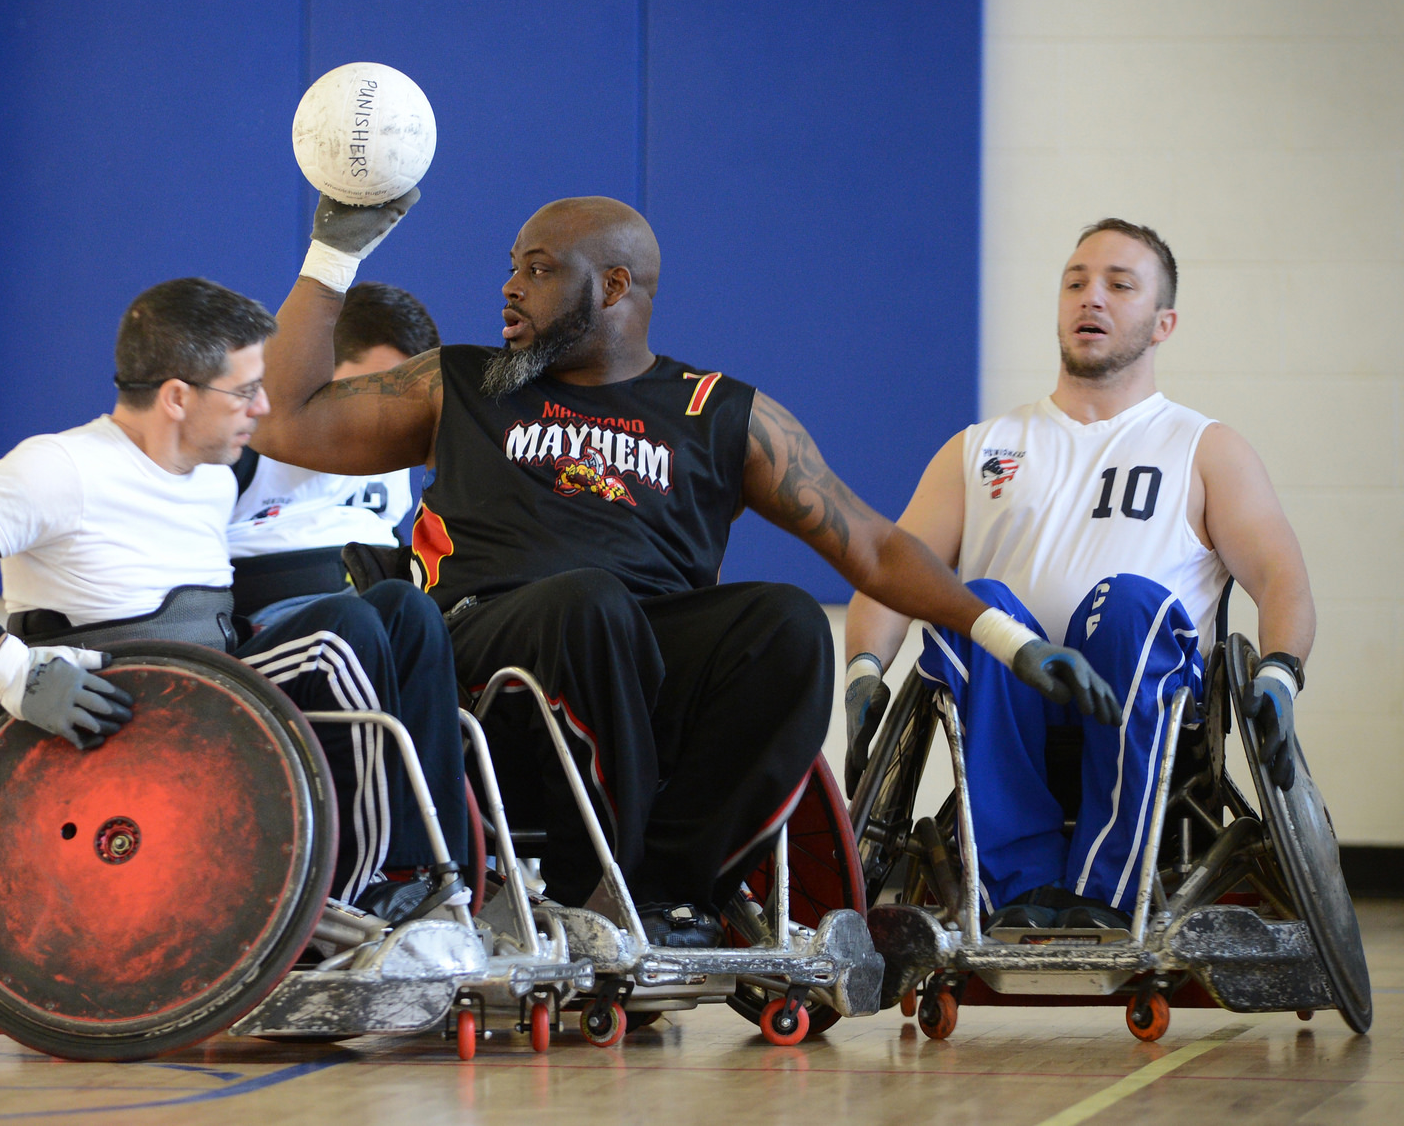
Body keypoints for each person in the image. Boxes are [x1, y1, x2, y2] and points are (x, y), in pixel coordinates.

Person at [251, 191, 1119, 948]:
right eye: (512, 267)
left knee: (786, 624)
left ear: (614, 287)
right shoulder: (463, 382)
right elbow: (284, 421)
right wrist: (337, 250)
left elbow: (876, 545)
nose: (510, 289)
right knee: (588, 604)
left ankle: (665, 888)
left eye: (539, 270)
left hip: (635, 676)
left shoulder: (719, 412)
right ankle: (609, 888)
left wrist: (1002, 637)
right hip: (487, 665)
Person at [0, 277, 469, 915]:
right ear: (178, 396)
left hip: (213, 694)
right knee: (337, 635)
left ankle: (436, 876)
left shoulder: (211, 481)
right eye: (244, 391)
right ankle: (361, 899)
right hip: (131, 705)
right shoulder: (61, 466)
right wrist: (13, 672)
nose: (263, 407)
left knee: (405, 610)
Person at [843, 219, 1315, 929]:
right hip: (1006, 693)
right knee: (980, 602)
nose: (1091, 296)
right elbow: (891, 569)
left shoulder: (1204, 446)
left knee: (1128, 604)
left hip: (1150, 702)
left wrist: (1279, 671)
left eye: (1119, 284)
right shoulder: (980, 448)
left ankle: (1108, 889)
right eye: (1075, 281)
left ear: (1164, 323)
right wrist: (862, 671)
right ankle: (1020, 887)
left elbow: (1282, 577)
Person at [229, 282, 439, 626]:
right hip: (274, 622)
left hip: (373, 608)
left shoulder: (398, 437)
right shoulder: (238, 439)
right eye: (369, 390)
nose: (383, 413)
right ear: (312, 375)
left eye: (401, 399)